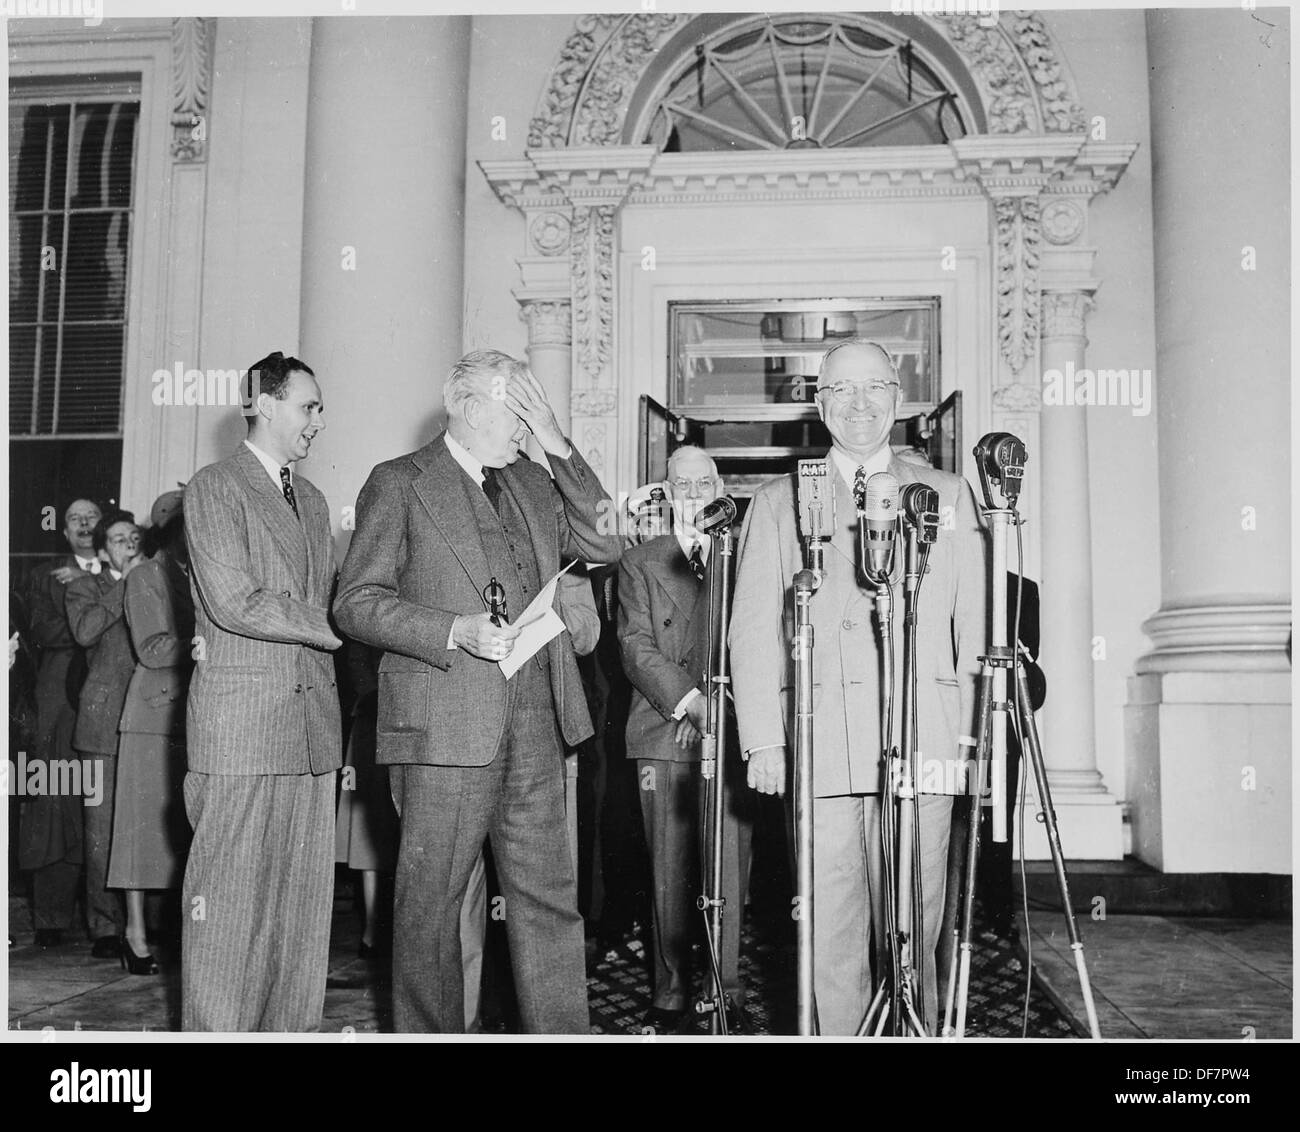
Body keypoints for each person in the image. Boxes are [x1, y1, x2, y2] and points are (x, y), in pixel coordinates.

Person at [333, 349, 622, 1033]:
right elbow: (355, 602)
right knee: (432, 906)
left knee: (550, 901)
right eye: (516, 407)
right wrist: (451, 630)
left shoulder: (532, 481)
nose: (526, 422)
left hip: (535, 720)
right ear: (467, 407)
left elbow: (608, 543)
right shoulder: (400, 482)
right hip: (442, 722)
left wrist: (554, 439)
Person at [730, 339, 988, 1035]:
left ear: (898, 400)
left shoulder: (948, 495)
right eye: (841, 390)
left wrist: (970, 744)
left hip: (924, 737)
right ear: (819, 405)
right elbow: (751, 629)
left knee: (917, 924)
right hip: (822, 741)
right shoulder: (781, 501)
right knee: (830, 932)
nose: (859, 404)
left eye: (874, 387)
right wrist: (762, 740)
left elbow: (974, 630)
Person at [182, 352, 342, 1031]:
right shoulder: (215, 487)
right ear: (265, 404)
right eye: (309, 407)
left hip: (310, 732)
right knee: (228, 918)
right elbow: (235, 601)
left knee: (300, 920)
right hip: (242, 730)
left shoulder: (311, 499)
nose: (318, 422)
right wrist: (338, 626)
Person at [618, 446, 754, 1033]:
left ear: (720, 483)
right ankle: (670, 991)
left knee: (731, 869)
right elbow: (634, 647)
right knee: (669, 872)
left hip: (734, 729)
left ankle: (723, 986)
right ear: (667, 490)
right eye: (683, 483)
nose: (695, 492)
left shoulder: (744, 552)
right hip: (666, 724)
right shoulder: (641, 562)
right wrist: (692, 701)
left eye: (705, 481)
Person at [111, 494, 195, 975]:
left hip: (185, 716)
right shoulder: (145, 575)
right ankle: (135, 934)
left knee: (177, 835)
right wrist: (207, 639)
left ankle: (168, 935)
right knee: (138, 835)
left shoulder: (193, 575)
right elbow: (152, 648)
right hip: (150, 719)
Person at [20, 498, 102, 947]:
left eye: (91, 517)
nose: (85, 524)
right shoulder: (45, 577)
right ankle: (51, 920)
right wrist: (93, 600)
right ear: (64, 531)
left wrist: (96, 583)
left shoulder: (122, 569)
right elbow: (43, 630)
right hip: (58, 703)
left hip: (105, 699)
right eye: (75, 519)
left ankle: (103, 923)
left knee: (99, 807)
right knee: (53, 800)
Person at [64, 509, 142, 959]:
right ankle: (104, 926)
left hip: (146, 718)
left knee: (140, 825)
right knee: (101, 829)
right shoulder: (84, 587)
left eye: (133, 536)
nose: (128, 544)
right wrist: (125, 586)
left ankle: (143, 923)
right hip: (100, 725)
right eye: (117, 539)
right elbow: (86, 630)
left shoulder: (150, 581)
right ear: (102, 548)